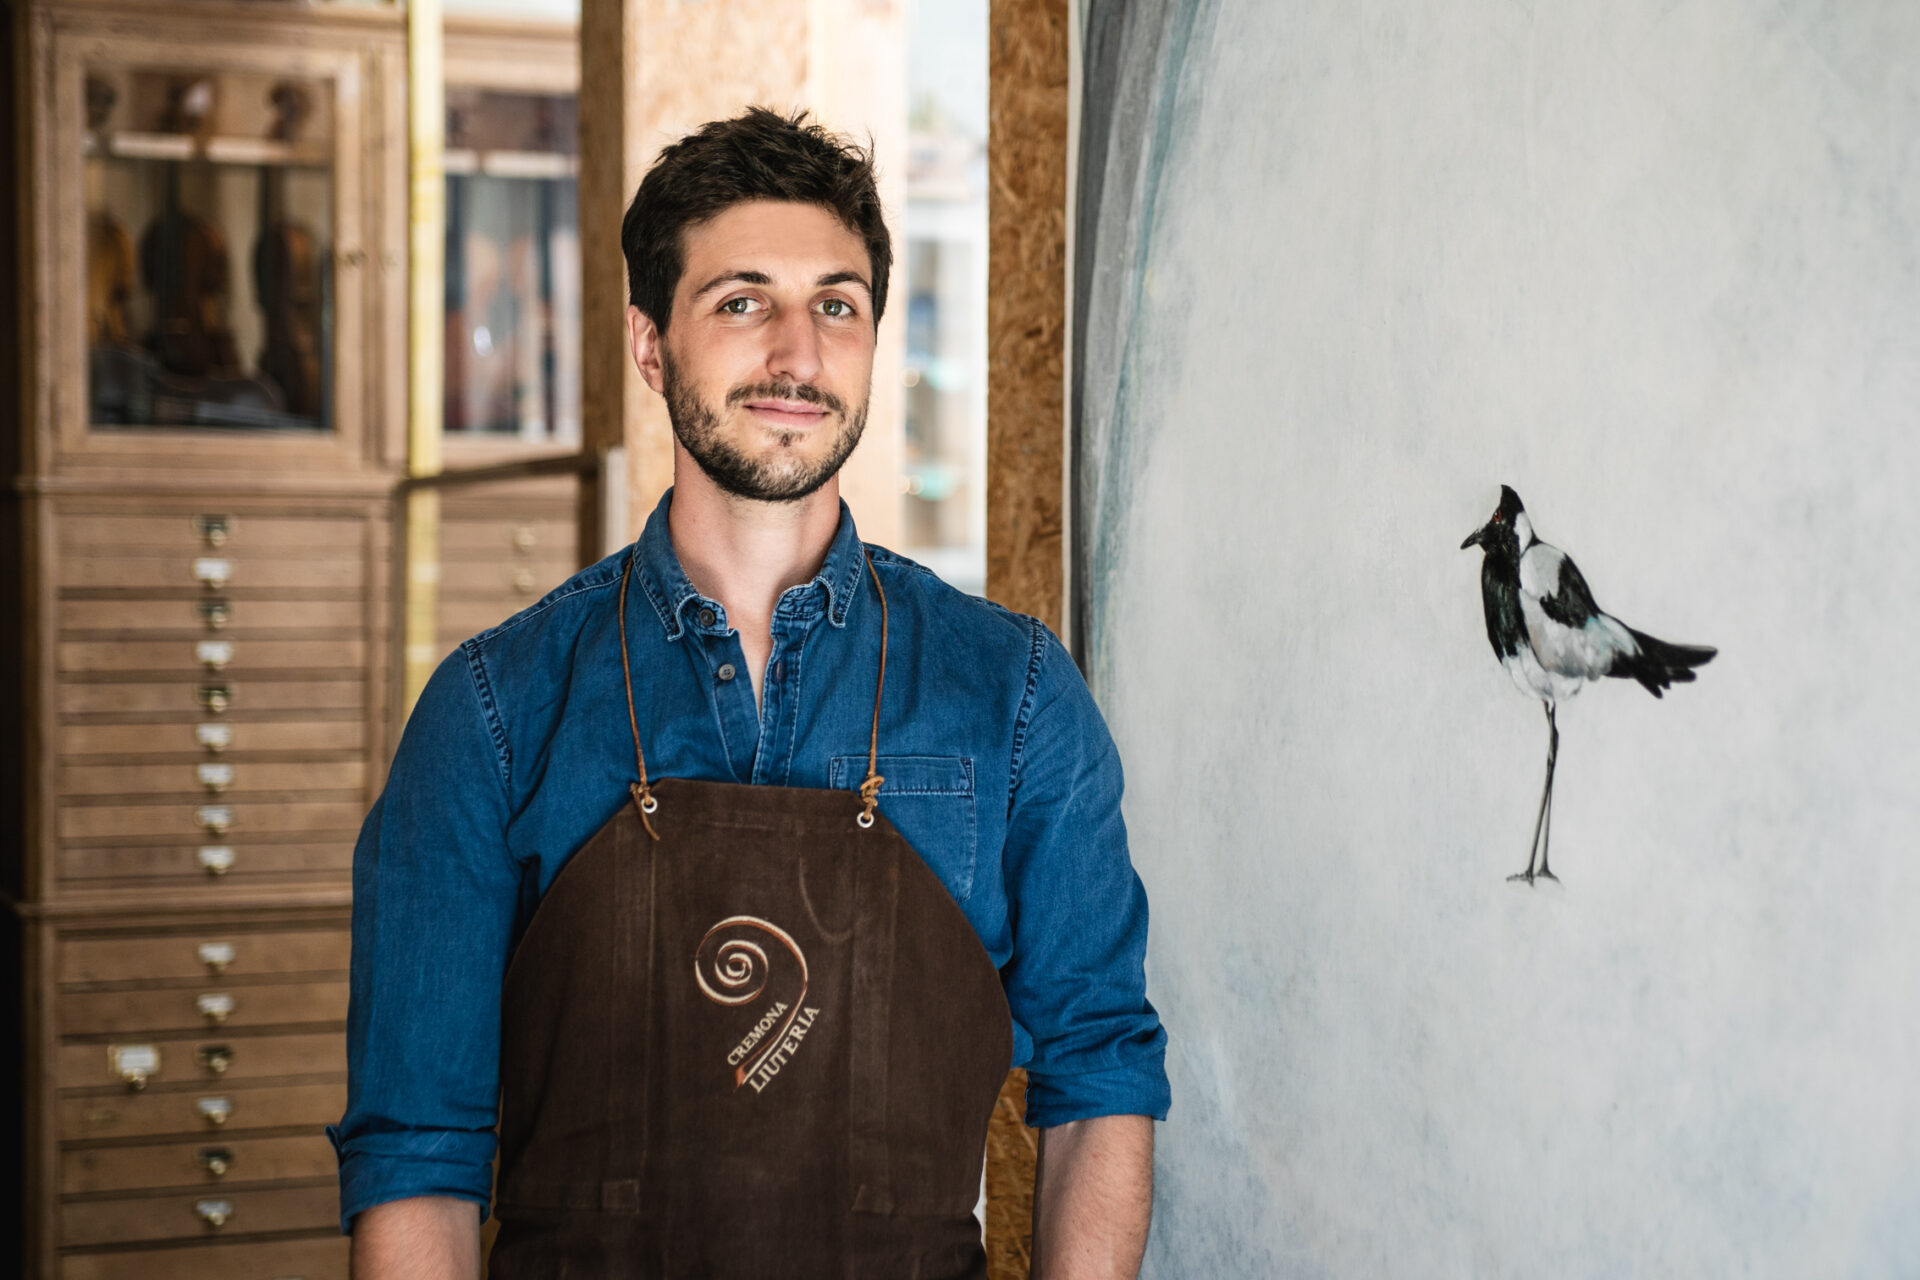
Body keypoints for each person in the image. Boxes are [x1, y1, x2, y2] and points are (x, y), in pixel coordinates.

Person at [329, 107, 1169, 1279]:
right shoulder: (491, 710)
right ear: (649, 342)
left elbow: (1099, 1077)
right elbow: (419, 1156)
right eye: (742, 301)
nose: (797, 353)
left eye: (837, 303)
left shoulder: (1015, 695)